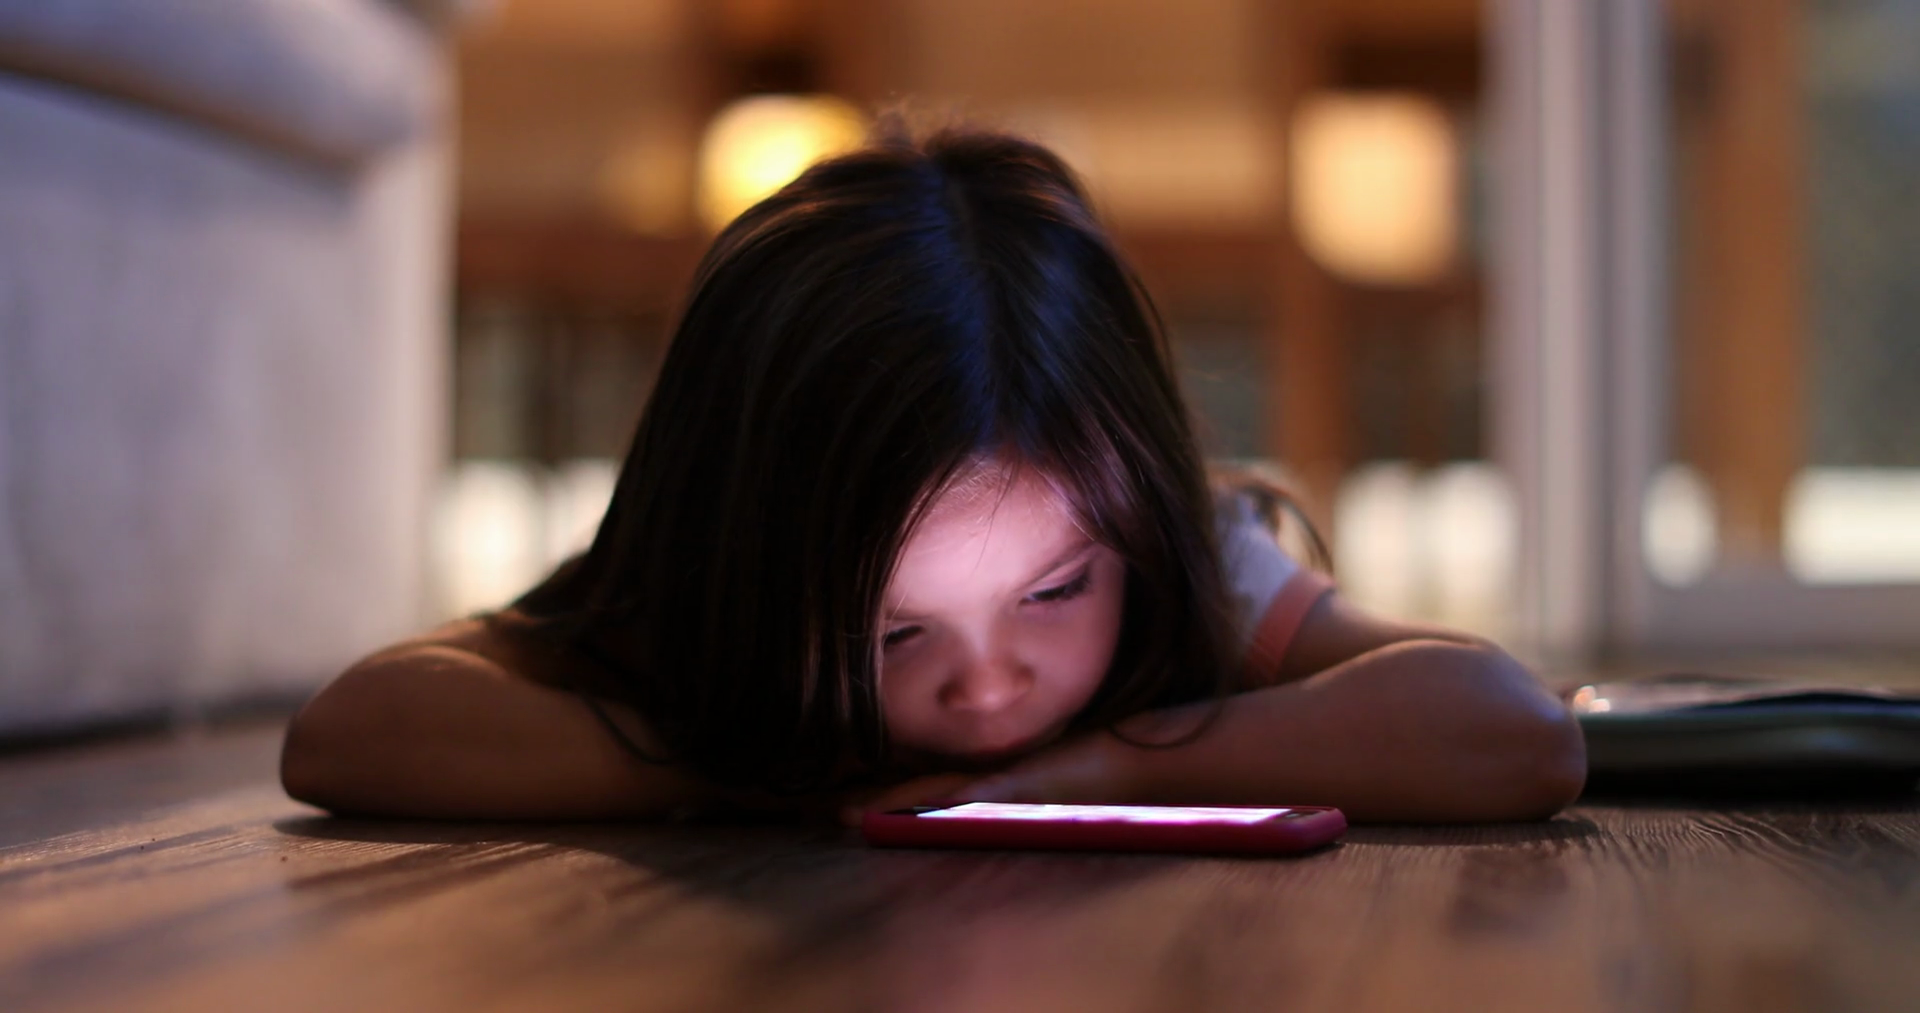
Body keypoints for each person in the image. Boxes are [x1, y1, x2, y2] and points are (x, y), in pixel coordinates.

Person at [280, 124, 1585, 825]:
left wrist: (1113, 772)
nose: (988, 684)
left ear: (1132, 516)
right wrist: (762, 771)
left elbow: (1517, 731)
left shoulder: (1182, 556)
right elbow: (351, 730)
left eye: (1058, 590)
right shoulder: (735, 588)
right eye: (891, 629)